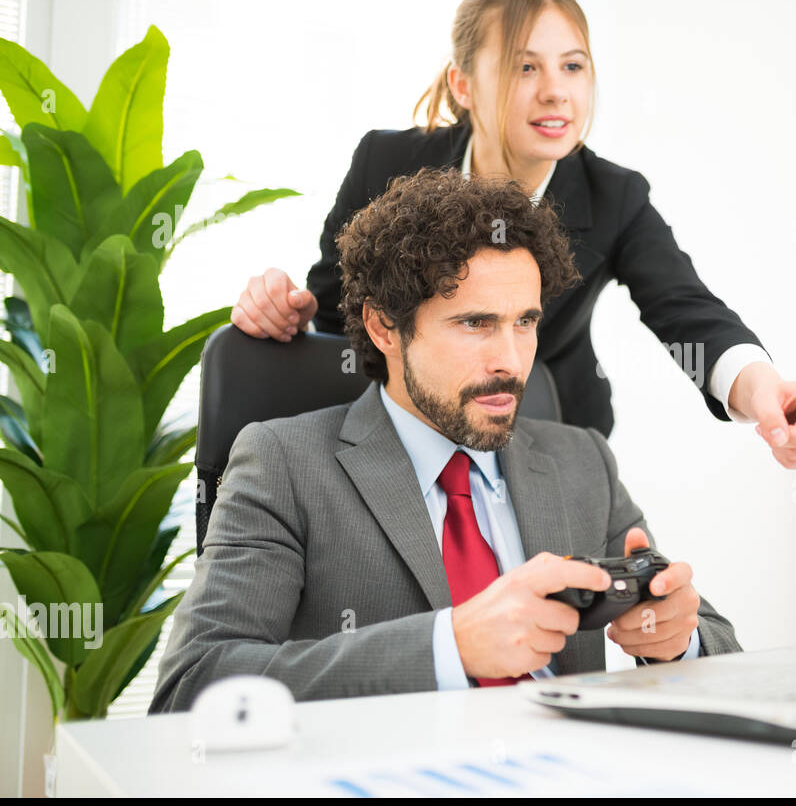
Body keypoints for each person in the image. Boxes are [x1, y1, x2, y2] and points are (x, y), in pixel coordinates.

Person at [150, 168, 741, 713]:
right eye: (475, 323)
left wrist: (675, 639)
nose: (511, 361)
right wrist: (447, 648)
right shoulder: (283, 464)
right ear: (384, 326)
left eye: (525, 322)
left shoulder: (581, 460)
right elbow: (194, 686)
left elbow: (719, 650)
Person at [232, 0, 796, 470]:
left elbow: (687, 310)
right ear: (462, 83)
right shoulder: (387, 162)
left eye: (572, 65)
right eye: (524, 66)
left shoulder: (614, 195)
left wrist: (764, 394)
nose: (556, 91)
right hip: (401, 447)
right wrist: (278, 306)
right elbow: (331, 307)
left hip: (548, 440)